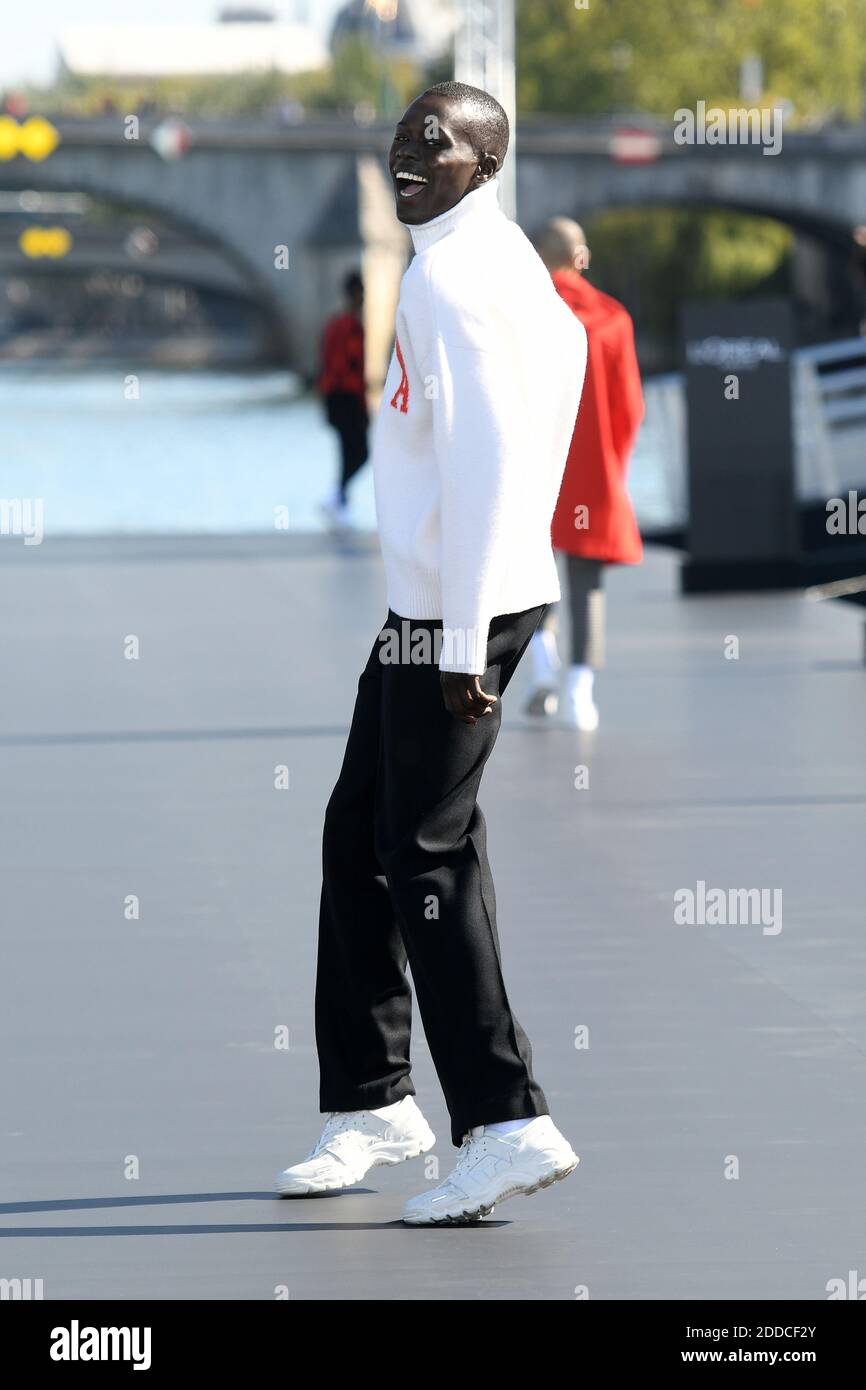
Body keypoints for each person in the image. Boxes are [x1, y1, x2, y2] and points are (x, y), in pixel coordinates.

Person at [276, 83, 587, 1225]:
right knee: (361, 832)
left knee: (425, 856)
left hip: (454, 616)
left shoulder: (455, 281)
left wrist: (459, 634)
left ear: (486, 161)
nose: (410, 154)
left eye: (438, 142)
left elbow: (493, 463)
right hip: (448, 604)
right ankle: (371, 1098)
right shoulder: (498, 264)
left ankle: (505, 1120)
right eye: (404, 137)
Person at [526, 217, 644, 730]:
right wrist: (612, 465)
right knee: (586, 581)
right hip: (592, 469)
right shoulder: (613, 319)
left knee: (528, 576)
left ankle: (539, 666)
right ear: (582, 256)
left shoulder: (520, 313)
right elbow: (630, 407)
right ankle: (580, 691)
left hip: (532, 469)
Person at [318, 270, 368, 527]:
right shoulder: (352, 328)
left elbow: (325, 364)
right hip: (347, 396)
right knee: (358, 452)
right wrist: (363, 406)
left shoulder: (333, 325)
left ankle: (340, 500)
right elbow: (353, 368)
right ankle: (337, 497)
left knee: (348, 451)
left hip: (333, 396)